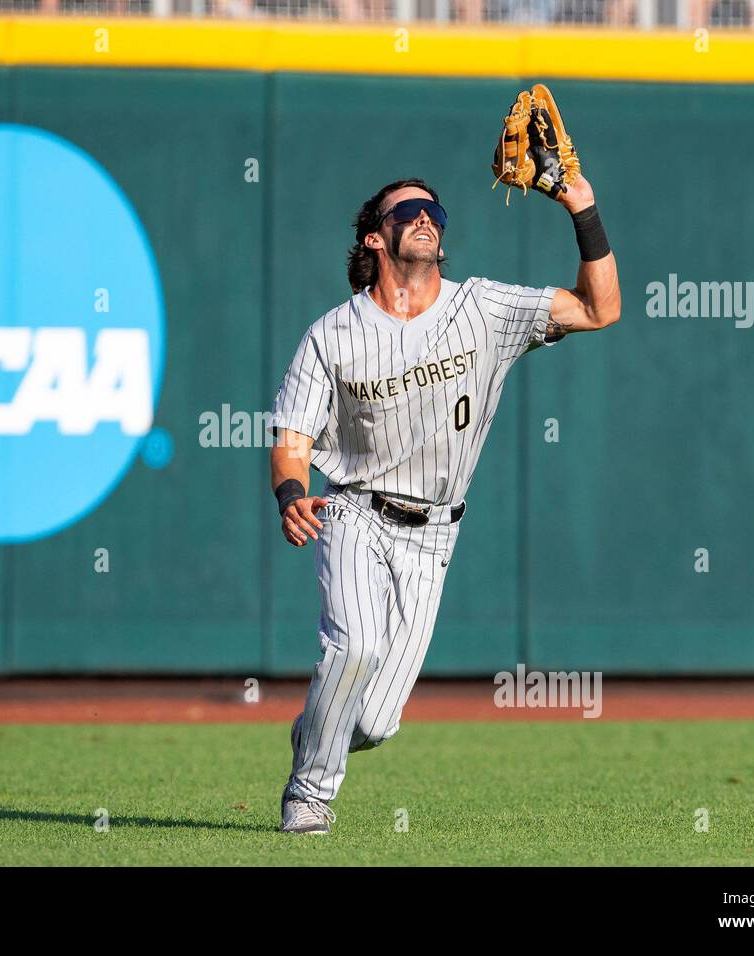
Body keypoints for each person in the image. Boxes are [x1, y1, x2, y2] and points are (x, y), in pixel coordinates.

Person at [268, 173, 620, 833]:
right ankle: (308, 796)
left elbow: (600, 309)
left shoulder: (482, 308)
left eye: (435, 208)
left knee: (373, 721)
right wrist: (291, 491)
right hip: (352, 512)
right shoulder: (333, 334)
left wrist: (582, 206)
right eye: (408, 209)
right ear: (375, 236)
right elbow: (291, 438)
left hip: (434, 536)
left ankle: (319, 729)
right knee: (355, 646)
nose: (427, 216)